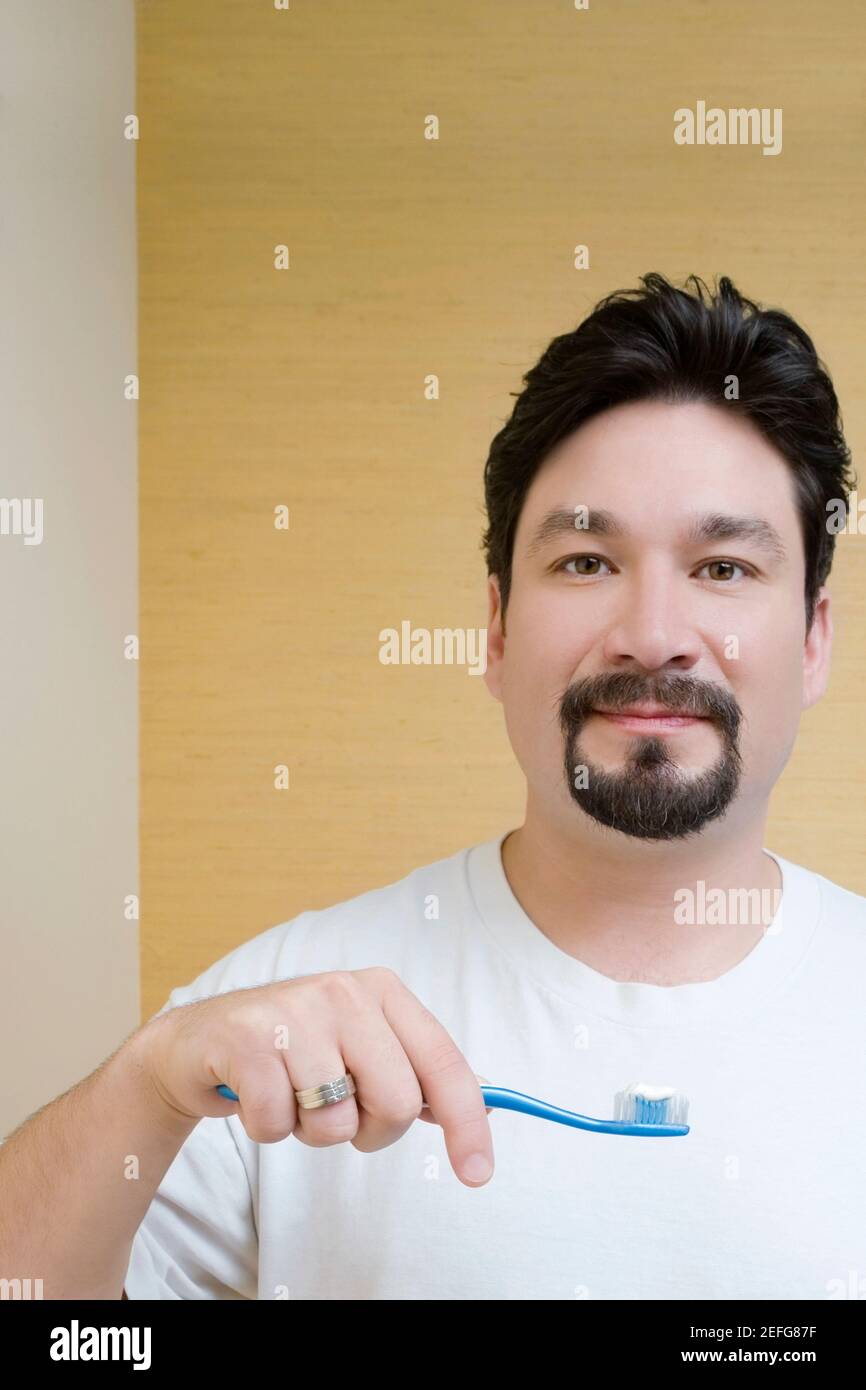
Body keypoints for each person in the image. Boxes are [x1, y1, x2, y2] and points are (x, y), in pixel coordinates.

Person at [2, 272, 864, 1301]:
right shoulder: (269, 1028)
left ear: (813, 639)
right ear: (495, 631)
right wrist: (144, 1084)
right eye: (586, 561)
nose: (653, 634)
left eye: (721, 568)